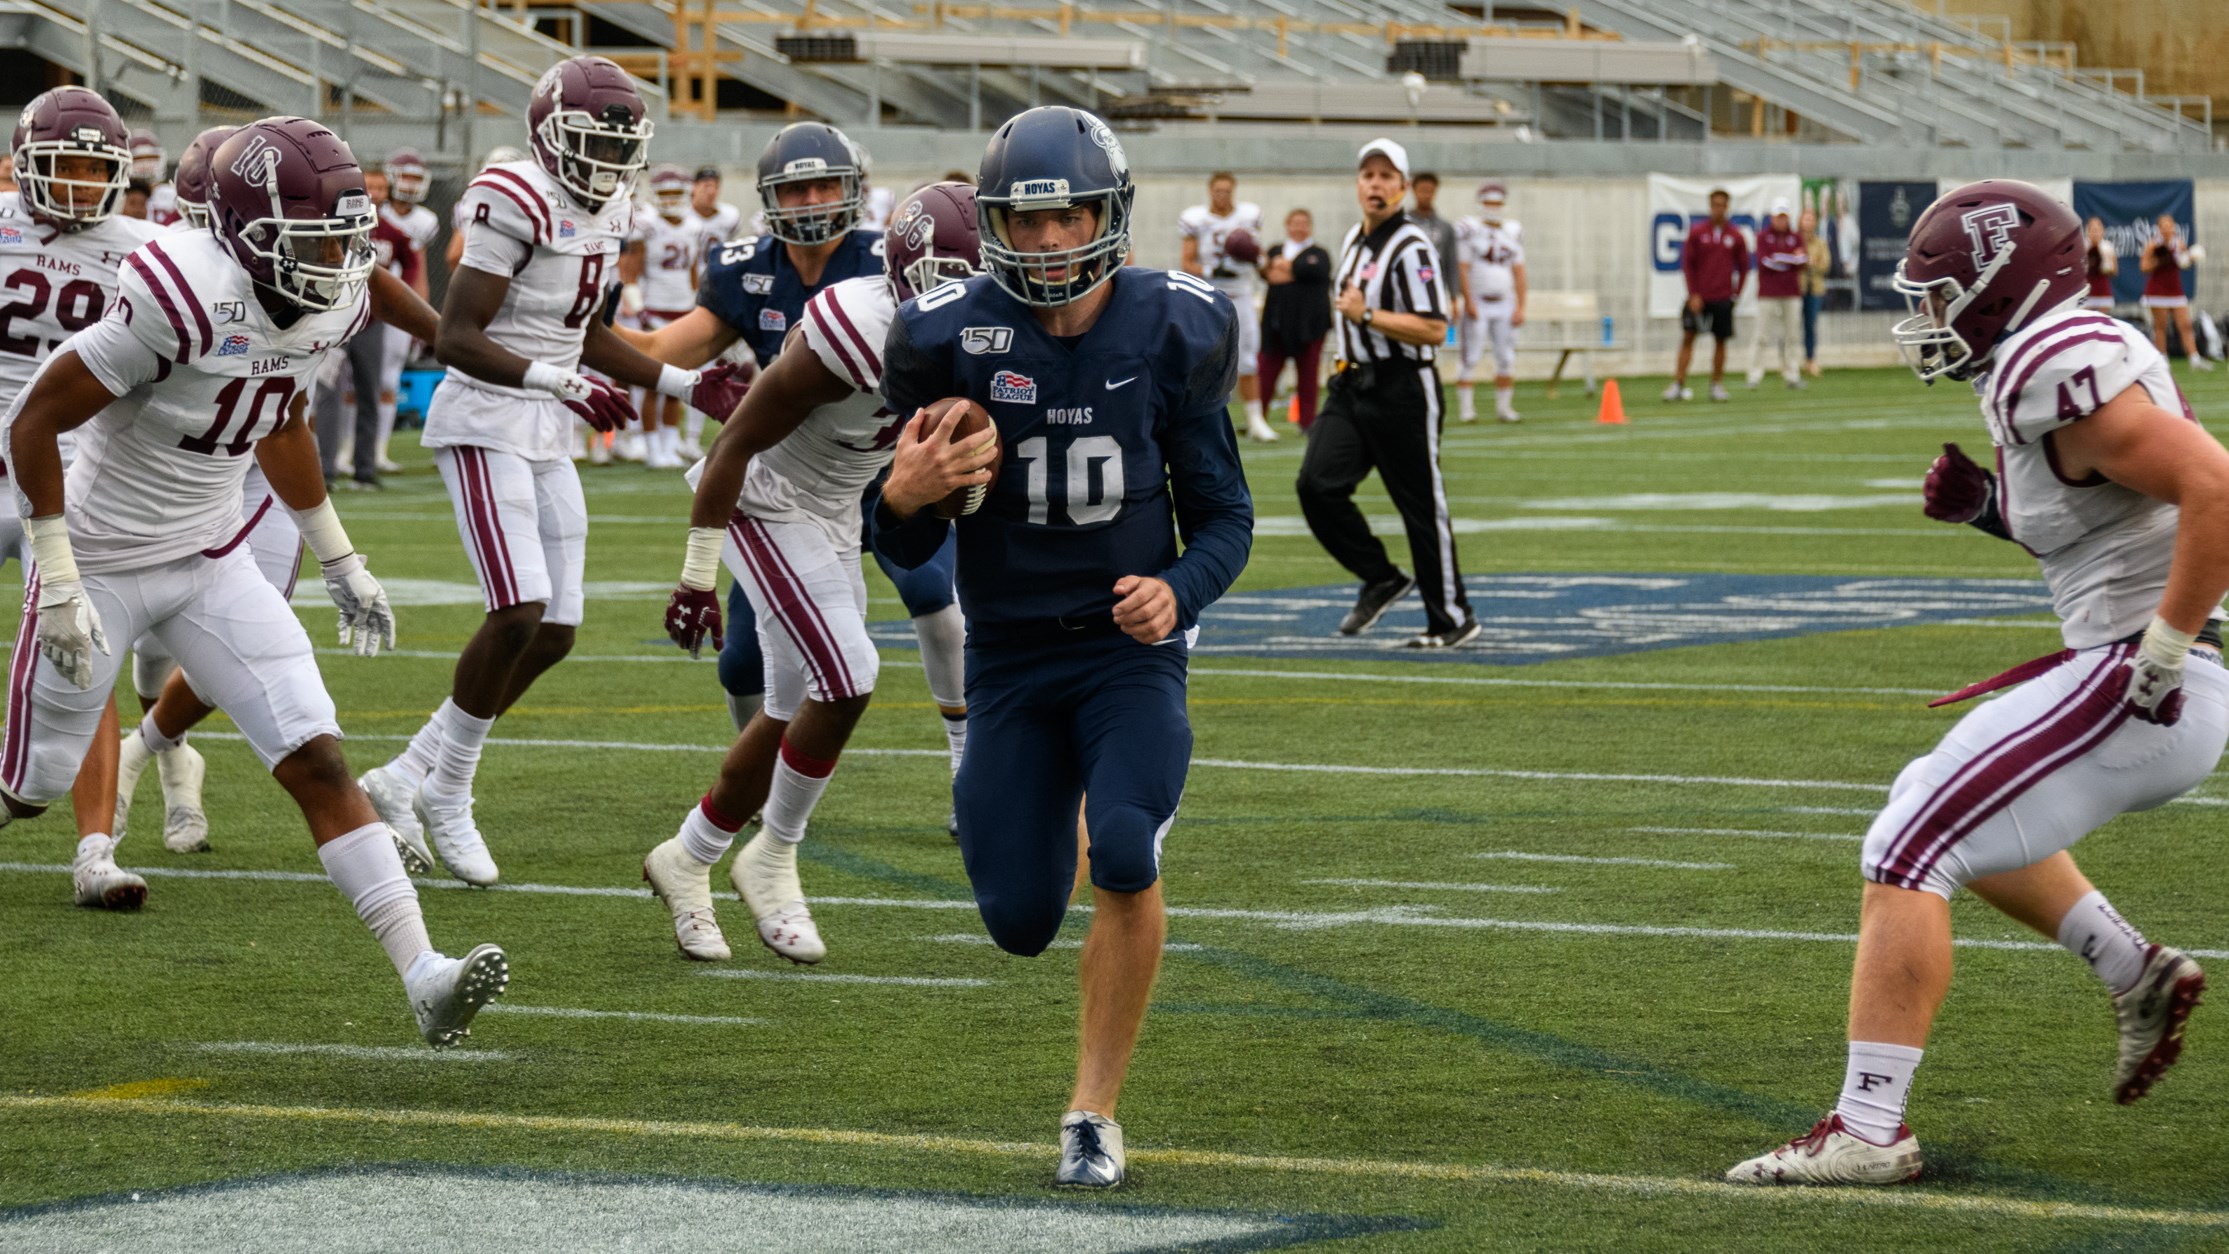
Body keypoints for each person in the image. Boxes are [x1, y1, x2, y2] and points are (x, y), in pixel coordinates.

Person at [1731, 179, 2228, 1186]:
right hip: (2140, 665)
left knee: (1906, 847)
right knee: (1936, 803)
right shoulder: (2049, 359)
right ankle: (2134, 969)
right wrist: (1988, 512)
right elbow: (2104, 510)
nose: (1928, 316)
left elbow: (2216, 487)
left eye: (1941, 292)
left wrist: (2165, 648)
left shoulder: (2058, 363)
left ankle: (1869, 1130)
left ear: (2002, 286)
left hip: (2144, 674)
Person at [0, 115, 509, 1049]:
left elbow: (280, 419)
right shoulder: (179, 291)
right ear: (243, 231)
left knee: (315, 755)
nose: (335, 259)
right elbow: (31, 424)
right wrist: (61, 572)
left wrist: (339, 556)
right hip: (103, 560)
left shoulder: (336, 293)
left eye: (340, 238)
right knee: (26, 789)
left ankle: (425, 974)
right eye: (311, 238)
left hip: (209, 558)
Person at [874, 105, 1251, 1188]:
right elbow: (896, 533)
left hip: (1126, 655)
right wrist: (900, 496)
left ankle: (1092, 1113)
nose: (1045, 243)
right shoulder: (943, 334)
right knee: (1020, 920)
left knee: (1125, 847)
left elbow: (1225, 516)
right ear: (990, 226)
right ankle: (1023, 810)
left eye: (1068, 217)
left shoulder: (1174, 326)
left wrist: (1176, 592)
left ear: (1109, 213)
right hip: (1009, 661)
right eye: (1023, 223)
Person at [357, 56, 746, 887]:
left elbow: (584, 331)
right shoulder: (513, 194)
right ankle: (448, 792)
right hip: (485, 418)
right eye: (587, 141)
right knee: (517, 609)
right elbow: (456, 334)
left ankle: (403, 776)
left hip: (543, 419)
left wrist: (680, 382)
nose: (604, 161)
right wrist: (552, 379)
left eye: (617, 146)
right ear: (545, 132)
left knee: (557, 629)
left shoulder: (611, 208)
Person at [649, 182, 983, 964]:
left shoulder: (985, 335)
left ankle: (689, 855)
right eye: (950, 284)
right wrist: (698, 576)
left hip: (834, 510)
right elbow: (733, 444)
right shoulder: (856, 326)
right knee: (850, 674)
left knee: (788, 706)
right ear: (906, 274)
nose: (968, 306)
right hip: (764, 497)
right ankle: (771, 857)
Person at [625, 125, 969, 810]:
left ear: (854, 190)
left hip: (890, 472)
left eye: (824, 186)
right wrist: (576, 324)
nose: (811, 201)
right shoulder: (745, 267)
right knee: (743, 662)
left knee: (936, 601)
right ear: (768, 198)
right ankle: (761, 791)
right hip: (791, 481)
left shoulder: (890, 259)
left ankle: (967, 765)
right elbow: (668, 347)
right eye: (796, 188)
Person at [0, 87, 166, 901]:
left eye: (93, 167)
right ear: (22, 166)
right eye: (59, 164)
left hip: (72, 474)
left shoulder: (146, 247)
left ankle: (95, 852)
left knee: (83, 654)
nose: (75, 182)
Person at [1297, 137, 1476, 650]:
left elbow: (1435, 328)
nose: (1375, 184)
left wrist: (1368, 316)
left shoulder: (1412, 245)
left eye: (1385, 176)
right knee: (1316, 485)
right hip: (1353, 385)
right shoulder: (1355, 237)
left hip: (1402, 387)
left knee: (1420, 504)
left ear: (1402, 186)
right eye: (1367, 175)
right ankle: (1380, 576)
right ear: (1358, 184)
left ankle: (1452, 616)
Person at [1179, 171, 1273, 442]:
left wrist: (1257, 259)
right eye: (1217, 190)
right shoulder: (1196, 219)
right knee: (1201, 357)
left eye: (1227, 191)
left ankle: (1255, 419)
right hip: (1208, 293)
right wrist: (1211, 268)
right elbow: (1187, 262)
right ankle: (1197, 417)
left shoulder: (1247, 217)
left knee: (1247, 358)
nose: (1222, 196)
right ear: (1210, 191)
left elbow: (1260, 257)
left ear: (1234, 191)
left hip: (1241, 293)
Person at [623, 164, 707, 468]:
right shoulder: (646, 225)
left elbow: (694, 272)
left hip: (684, 311)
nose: (671, 199)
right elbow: (629, 273)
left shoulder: (694, 226)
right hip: (654, 310)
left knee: (678, 384)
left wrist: (700, 307)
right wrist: (640, 310)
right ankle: (650, 445)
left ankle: (671, 443)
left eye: (676, 192)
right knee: (652, 384)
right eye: (666, 193)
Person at [315, 163, 393, 489]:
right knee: (328, 394)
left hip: (372, 320)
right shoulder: (330, 223)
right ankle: (326, 470)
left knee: (369, 392)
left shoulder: (393, 231)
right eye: (368, 186)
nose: (373, 193)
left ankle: (365, 468)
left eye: (379, 187)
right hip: (336, 317)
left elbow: (403, 277)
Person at [371, 148, 439, 472]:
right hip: (365, 304)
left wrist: (419, 314)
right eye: (405, 177)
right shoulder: (372, 213)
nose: (410, 185)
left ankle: (378, 451)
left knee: (388, 381)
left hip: (398, 306)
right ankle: (343, 451)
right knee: (350, 385)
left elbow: (419, 269)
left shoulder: (425, 221)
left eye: (416, 178)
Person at [1667, 187, 1748, 402]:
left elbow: (1744, 267)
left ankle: (1716, 384)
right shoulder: (1697, 233)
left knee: (1721, 341)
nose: (1718, 209)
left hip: (1722, 298)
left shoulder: (1736, 236)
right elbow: (1688, 265)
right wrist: (1693, 293)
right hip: (1699, 298)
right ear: (1709, 206)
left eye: (1722, 205)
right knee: (1688, 338)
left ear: (1727, 207)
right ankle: (1678, 383)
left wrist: (1735, 294)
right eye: (1715, 205)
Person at [1454, 181, 1525, 424]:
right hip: (1479, 302)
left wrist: (1521, 305)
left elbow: (1519, 270)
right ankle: (1466, 409)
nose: (1492, 208)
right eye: (1488, 203)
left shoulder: (1513, 230)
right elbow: (1462, 268)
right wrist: (1468, 300)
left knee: (1505, 357)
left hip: (1504, 301)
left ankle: (1504, 409)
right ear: (1480, 203)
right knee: (1470, 356)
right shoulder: (1470, 229)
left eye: (1496, 203)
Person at [1258, 208, 1331, 432]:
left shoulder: (1319, 253)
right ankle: (1257, 419)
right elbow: (1270, 275)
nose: (1299, 227)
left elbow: (1318, 272)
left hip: (1309, 326)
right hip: (1277, 325)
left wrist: (1287, 267)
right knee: (1265, 372)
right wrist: (1297, 273)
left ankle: (1308, 422)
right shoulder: (1275, 250)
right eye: (1295, 223)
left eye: (1303, 223)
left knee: (1308, 375)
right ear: (1287, 225)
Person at [1747, 199, 1806, 390]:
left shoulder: (1796, 237)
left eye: (1784, 217)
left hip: (1791, 292)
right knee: (1761, 335)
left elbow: (1803, 260)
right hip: (1768, 293)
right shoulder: (1763, 237)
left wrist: (1782, 258)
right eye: (1778, 217)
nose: (1782, 221)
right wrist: (1790, 259)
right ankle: (1754, 375)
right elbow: (1766, 262)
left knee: (1792, 335)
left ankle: (1792, 374)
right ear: (1772, 218)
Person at [2140, 214, 2210, 372]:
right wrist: (2159, 260)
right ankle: (2162, 360)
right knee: (2161, 326)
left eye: (2169, 226)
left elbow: (2183, 263)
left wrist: (2191, 257)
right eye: (2163, 226)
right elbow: (2143, 267)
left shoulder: (2179, 244)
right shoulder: (2152, 245)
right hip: (2157, 291)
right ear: (2159, 229)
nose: (2167, 229)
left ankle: (2194, 359)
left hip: (2175, 290)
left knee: (2185, 324)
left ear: (2173, 227)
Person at [1799, 207, 1828, 378]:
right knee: (1791, 326)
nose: (1808, 222)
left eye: (1811, 219)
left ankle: (1810, 360)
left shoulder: (1820, 242)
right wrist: (1805, 262)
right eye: (1805, 219)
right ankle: (1788, 362)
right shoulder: (1794, 240)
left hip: (1814, 289)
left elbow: (1825, 264)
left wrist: (1811, 263)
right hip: (1797, 288)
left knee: (1810, 325)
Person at [127, 130, 171, 226]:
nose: (145, 166)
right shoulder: (120, 196)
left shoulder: (172, 195)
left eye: (151, 159)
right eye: (139, 160)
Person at [2083, 215, 2117, 311]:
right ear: (2087, 231)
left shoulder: (2108, 247)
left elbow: (2114, 271)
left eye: (2097, 229)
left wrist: (2105, 266)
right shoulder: (2082, 247)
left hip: (2103, 290)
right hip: (2087, 291)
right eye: (2092, 230)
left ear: (2103, 231)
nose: (2095, 233)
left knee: (2102, 323)